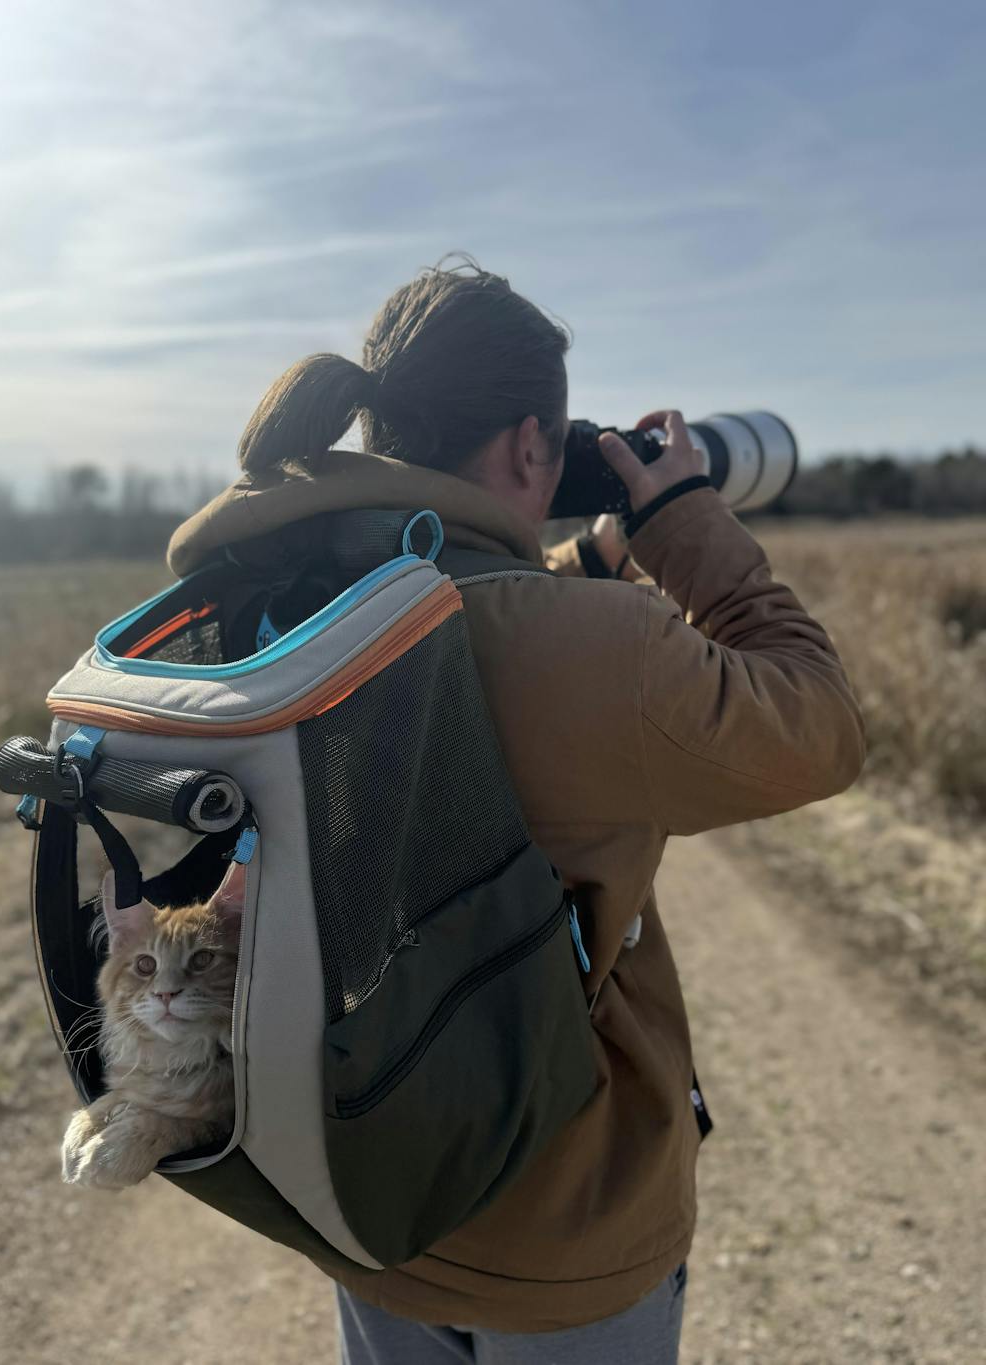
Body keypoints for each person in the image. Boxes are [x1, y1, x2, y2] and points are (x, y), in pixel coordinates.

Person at [169, 256, 866, 1364]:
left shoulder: (291, 597)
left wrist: (587, 558)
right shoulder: (597, 656)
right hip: (563, 1234)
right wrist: (683, 519)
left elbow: (462, 606)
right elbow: (821, 726)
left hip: (366, 1193)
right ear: (537, 448)